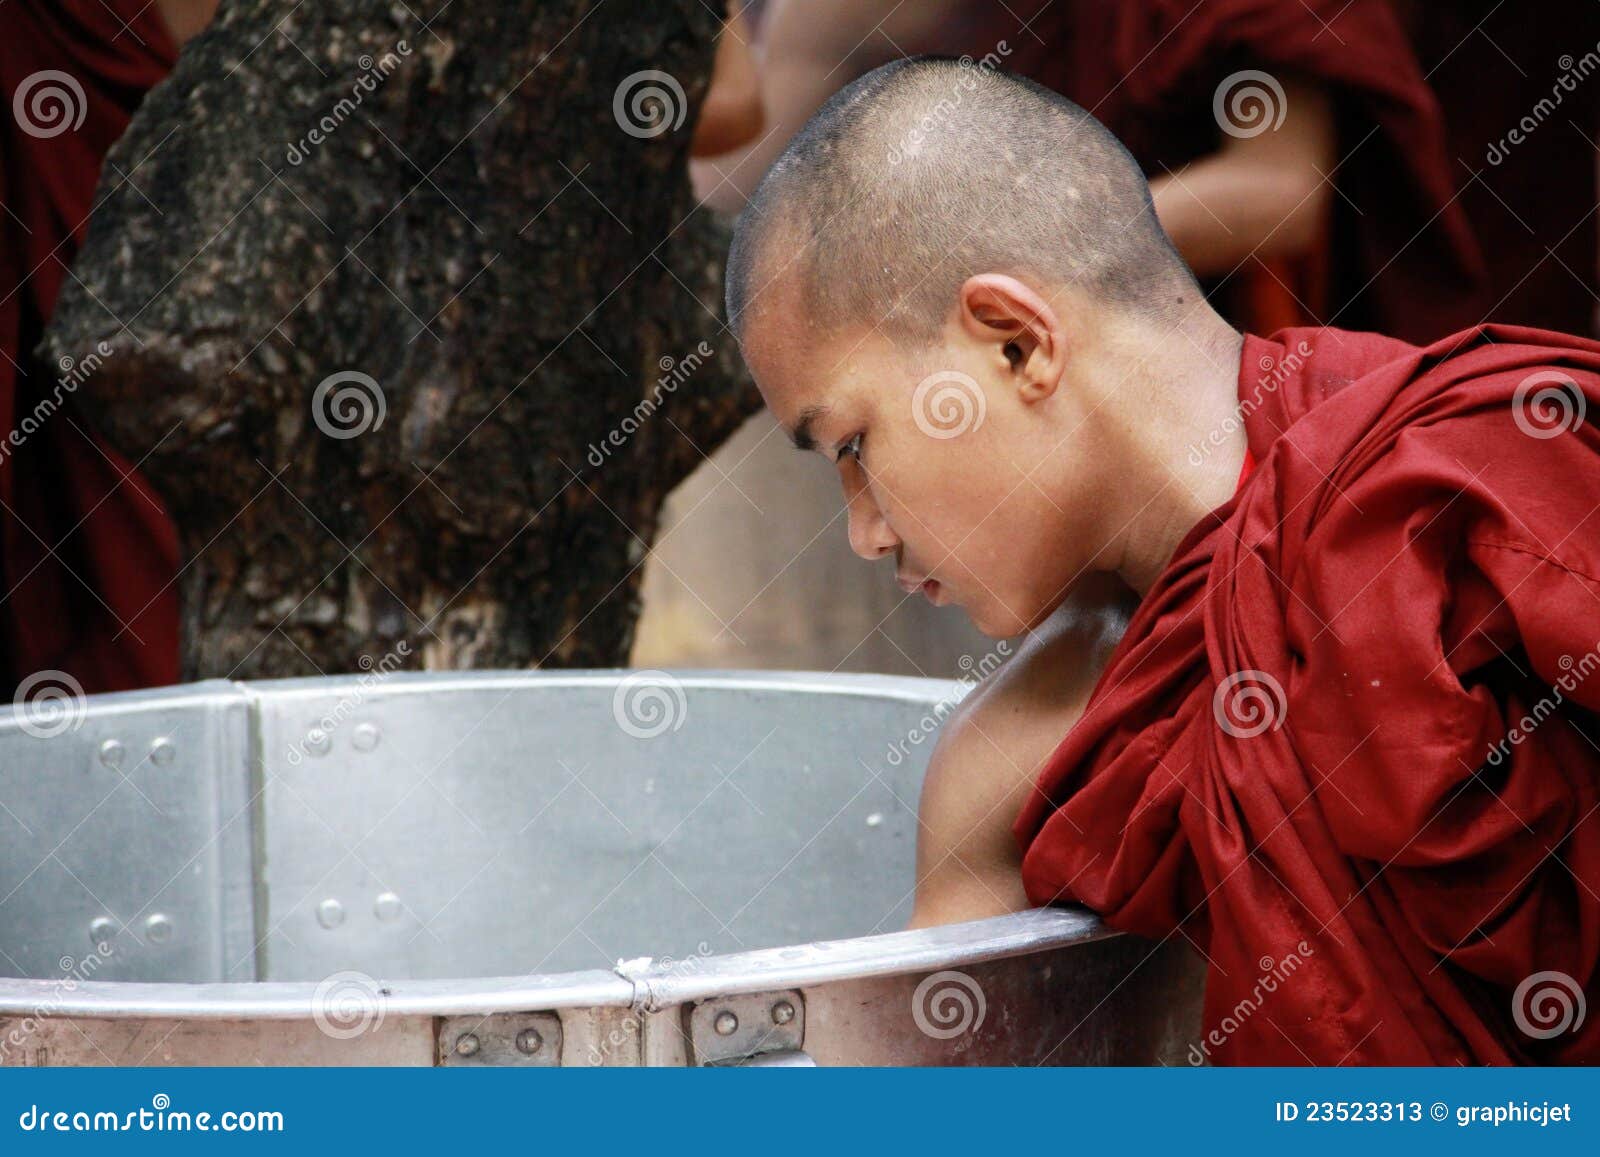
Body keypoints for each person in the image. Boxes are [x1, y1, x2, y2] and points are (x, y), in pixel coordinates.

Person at [726, 57, 1600, 1065]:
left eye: (852, 447)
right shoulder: (1007, 771)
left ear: (1015, 344)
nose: (865, 532)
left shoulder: (1474, 484)